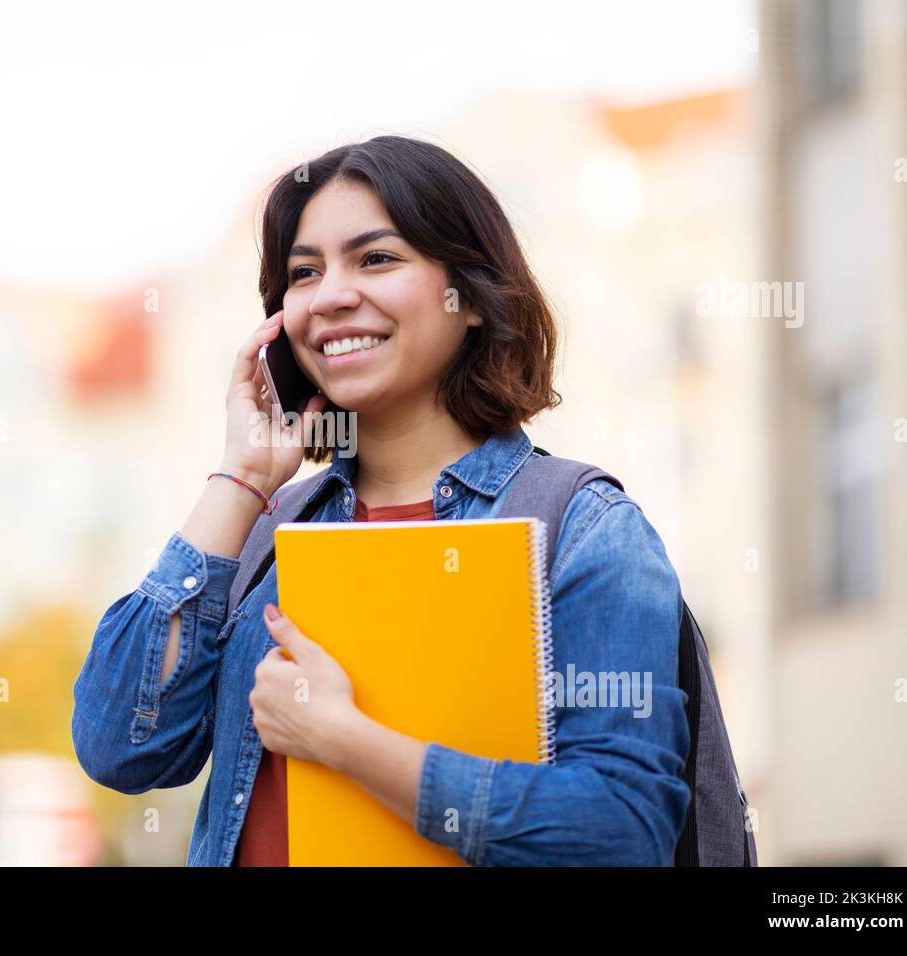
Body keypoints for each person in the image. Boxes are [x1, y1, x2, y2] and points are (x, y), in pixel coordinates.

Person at [72, 135, 690, 866]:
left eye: (377, 259)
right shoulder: (263, 530)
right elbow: (122, 746)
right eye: (305, 273)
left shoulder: (585, 532)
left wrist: (345, 740)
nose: (332, 295)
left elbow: (621, 832)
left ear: (473, 298)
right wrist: (241, 480)